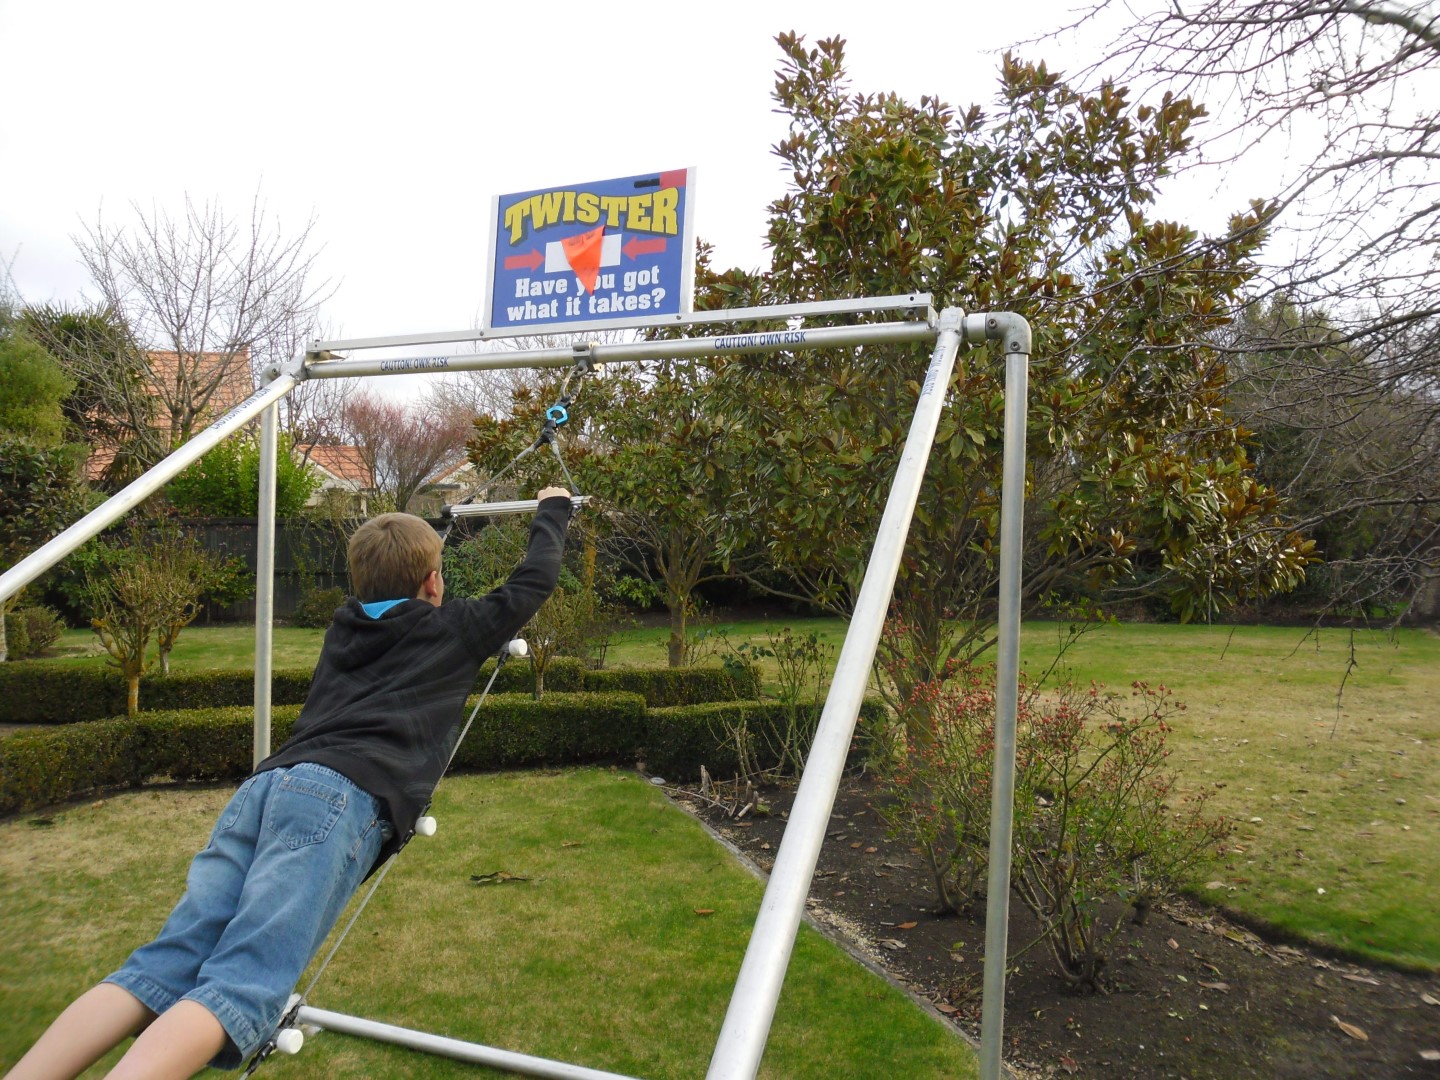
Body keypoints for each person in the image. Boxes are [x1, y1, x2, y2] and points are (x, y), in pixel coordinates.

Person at [5, 487, 573, 1080]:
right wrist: (552, 508)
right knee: (241, 985)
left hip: (267, 788)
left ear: (360, 583)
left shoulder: (345, 625)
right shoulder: (454, 628)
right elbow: (532, 583)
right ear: (434, 583)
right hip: (336, 800)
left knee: (162, 967)